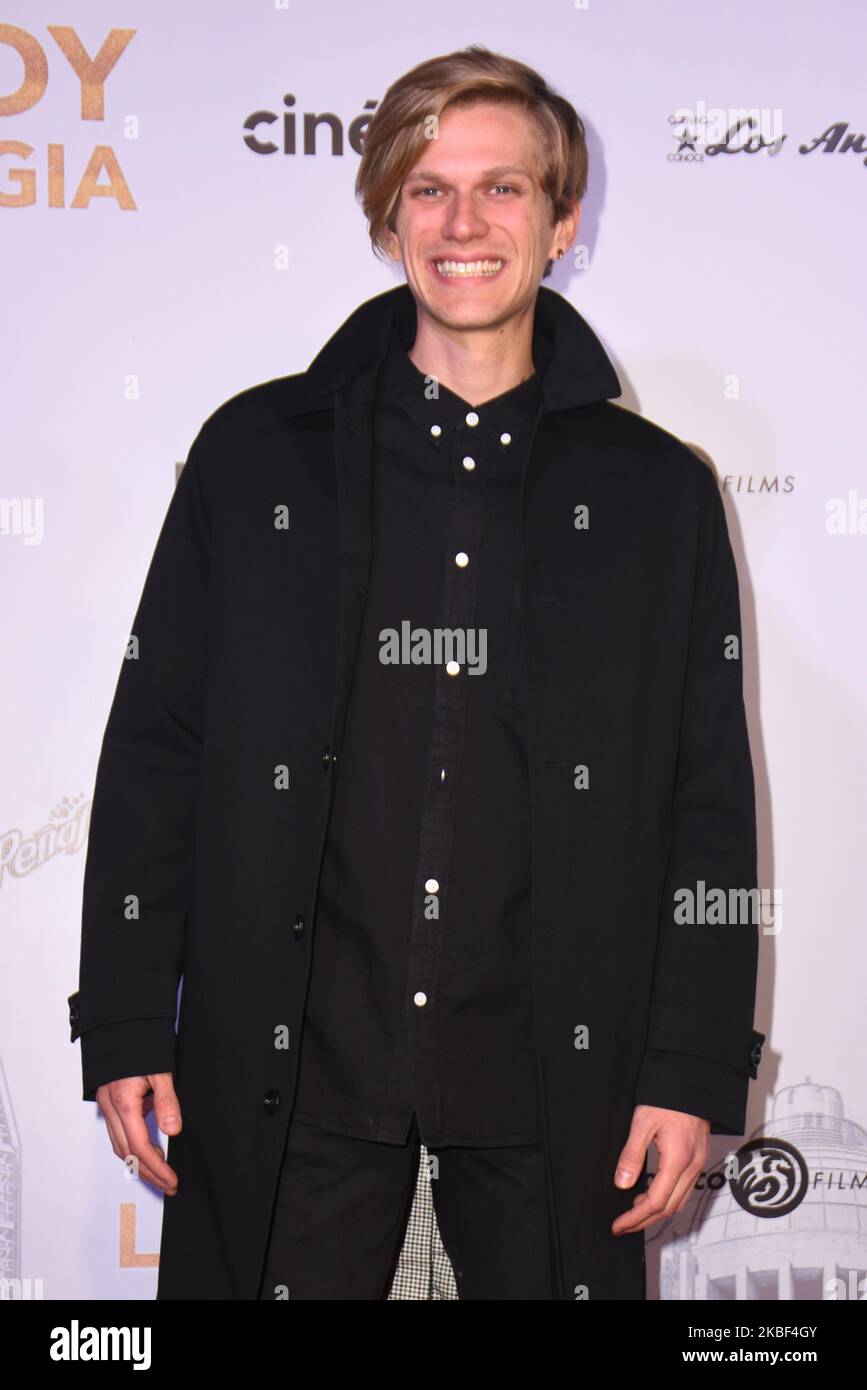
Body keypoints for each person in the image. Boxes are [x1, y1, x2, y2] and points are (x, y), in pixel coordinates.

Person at [68, 44, 765, 1300]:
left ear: (562, 222)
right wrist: (123, 1017)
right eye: (430, 188)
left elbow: (706, 802)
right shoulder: (254, 457)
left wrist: (692, 1064)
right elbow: (157, 747)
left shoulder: (659, 494)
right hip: (296, 1057)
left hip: (559, 1070)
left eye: (503, 189)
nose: (464, 223)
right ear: (388, 215)